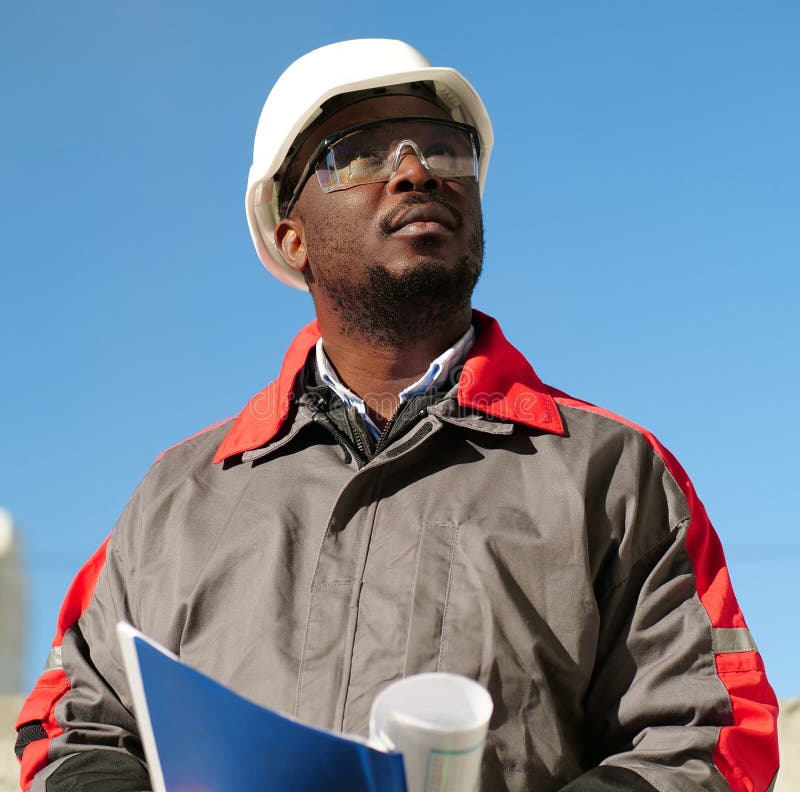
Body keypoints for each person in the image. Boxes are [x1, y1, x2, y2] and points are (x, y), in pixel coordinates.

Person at [15, 39, 779, 792]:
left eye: (447, 152)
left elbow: (710, 734)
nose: (416, 172)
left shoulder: (612, 474)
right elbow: (70, 726)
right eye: (359, 154)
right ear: (292, 237)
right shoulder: (177, 499)